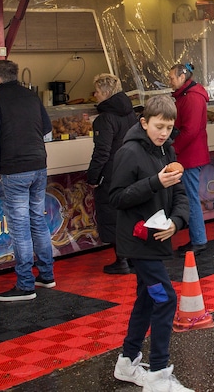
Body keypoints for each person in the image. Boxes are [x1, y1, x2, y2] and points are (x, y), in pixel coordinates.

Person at [108, 95, 194, 392]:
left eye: (169, 128)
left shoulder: (167, 150)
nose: (164, 133)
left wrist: (177, 223)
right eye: (159, 127)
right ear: (144, 123)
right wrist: (155, 183)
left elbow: (181, 194)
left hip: (157, 238)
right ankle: (158, 374)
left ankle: (128, 360)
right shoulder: (129, 153)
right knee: (165, 298)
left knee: (148, 297)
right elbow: (116, 198)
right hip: (137, 241)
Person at [0, 60, 55, 302]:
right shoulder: (31, 96)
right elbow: (46, 126)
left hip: (13, 169)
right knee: (37, 219)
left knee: (20, 227)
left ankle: (25, 285)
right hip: (39, 166)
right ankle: (46, 275)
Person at [87, 73, 139, 275]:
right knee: (129, 215)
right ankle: (134, 259)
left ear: (107, 93)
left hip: (111, 173)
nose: (95, 95)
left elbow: (102, 152)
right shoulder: (129, 113)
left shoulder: (104, 119)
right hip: (130, 170)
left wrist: (93, 177)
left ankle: (121, 260)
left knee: (112, 215)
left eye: (98, 92)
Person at [168, 63, 210, 254]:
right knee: (188, 197)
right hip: (189, 154)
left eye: (172, 78)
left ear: (182, 77)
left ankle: (199, 240)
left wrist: (173, 148)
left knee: (190, 198)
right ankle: (196, 238)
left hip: (189, 156)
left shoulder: (192, 98)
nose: (170, 81)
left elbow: (190, 130)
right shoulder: (188, 96)